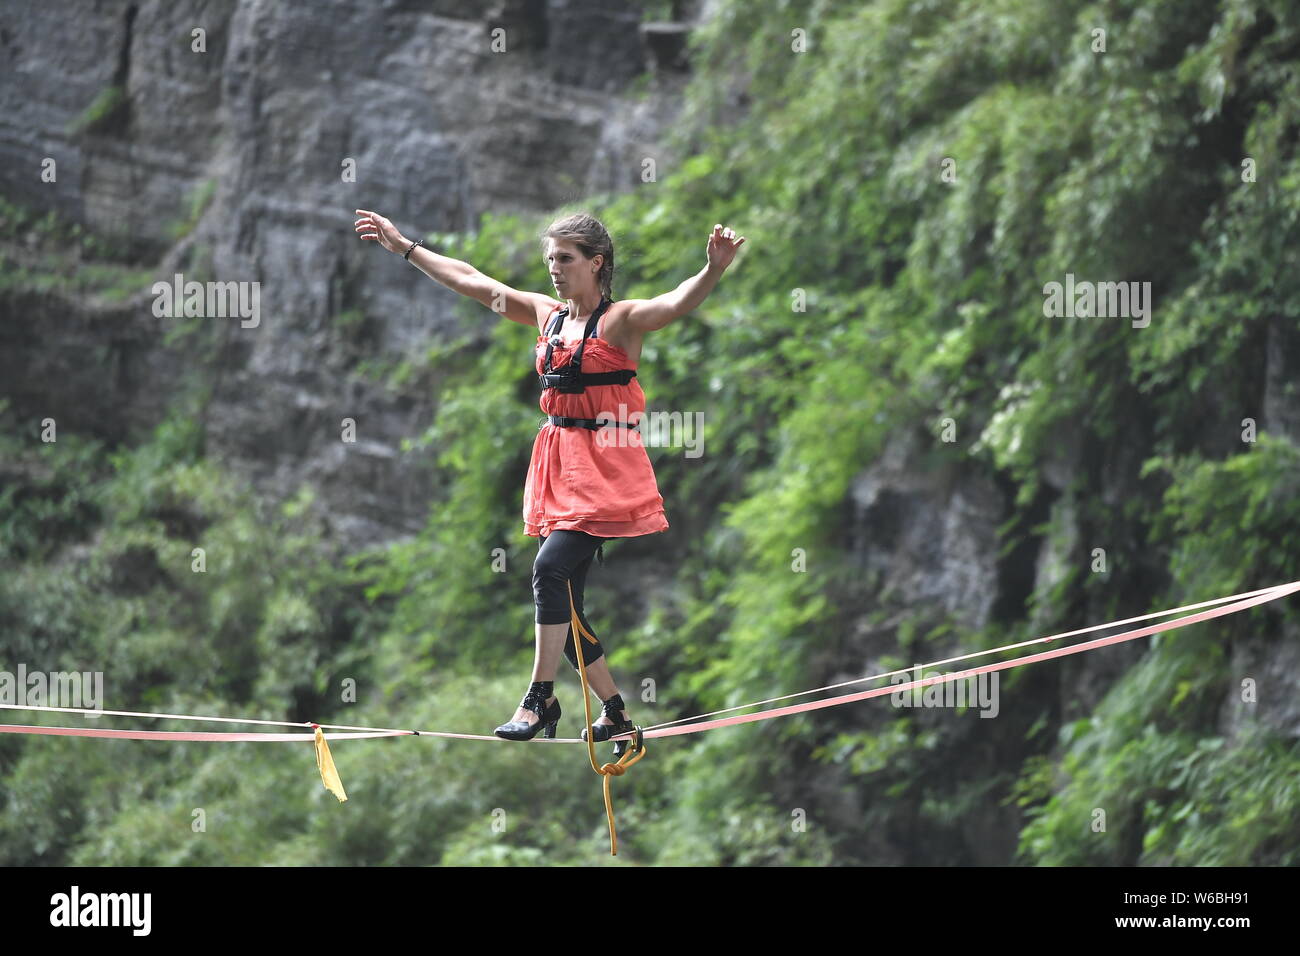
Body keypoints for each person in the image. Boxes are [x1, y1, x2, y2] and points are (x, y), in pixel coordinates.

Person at [355, 208, 744, 746]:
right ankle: (613, 710)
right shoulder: (547, 316)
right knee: (565, 602)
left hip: (606, 468)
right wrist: (406, 248)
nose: (554, 270)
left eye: (565, 259)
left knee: (548, 568)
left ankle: (540, 698)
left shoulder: (622, 321)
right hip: (559, 464)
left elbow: (674, 303)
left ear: (596, 263)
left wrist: (712, 271)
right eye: (550, 260)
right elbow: (472, 281)